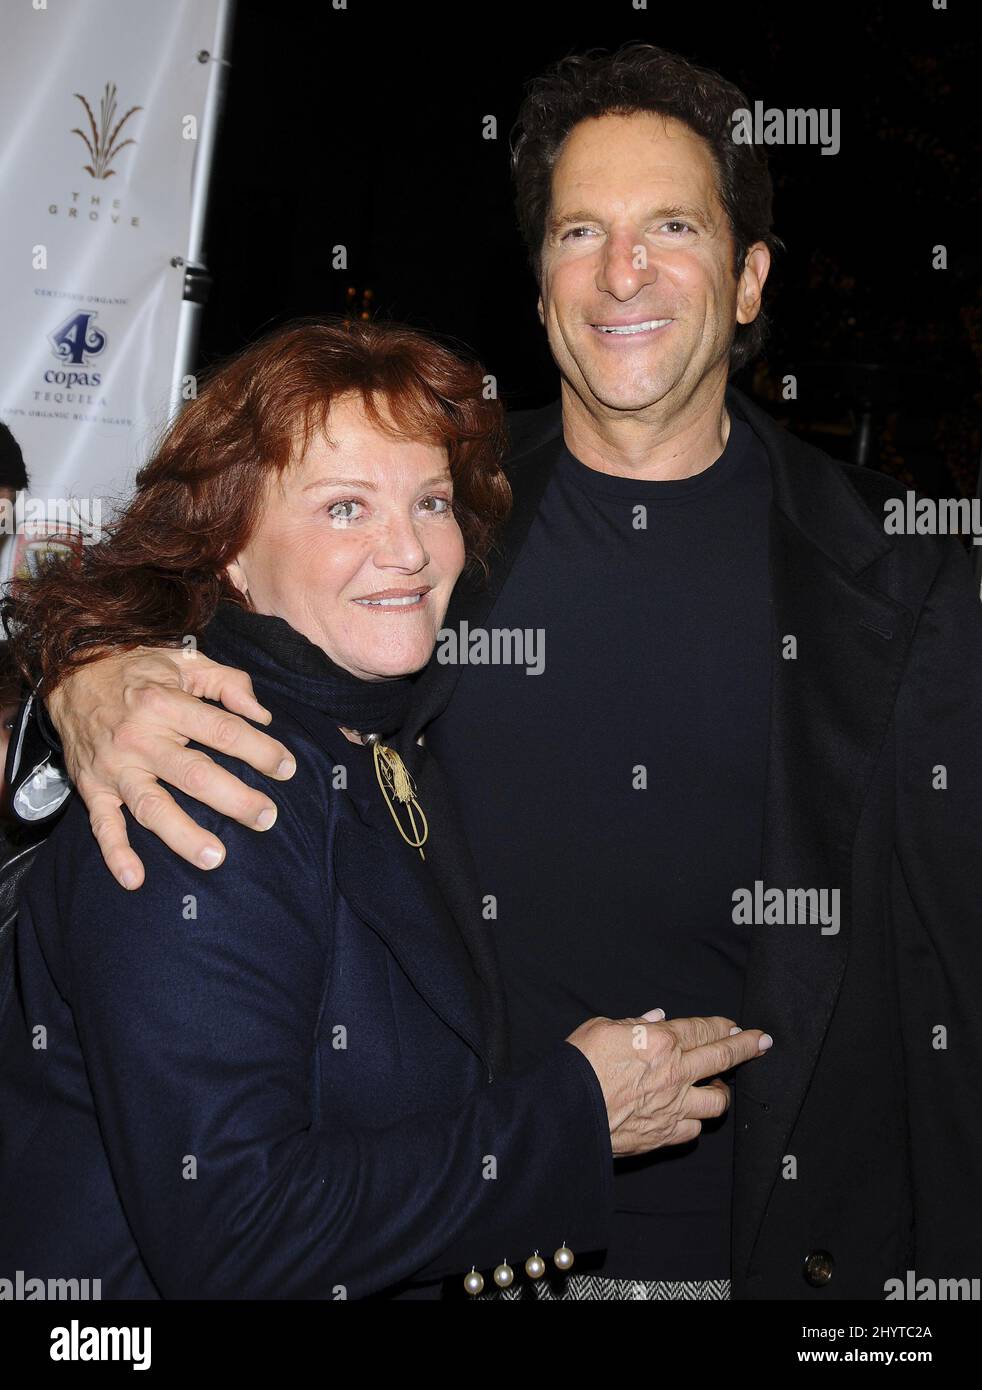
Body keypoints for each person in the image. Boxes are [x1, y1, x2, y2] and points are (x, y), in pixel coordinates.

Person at [18, 43, 982, 1301]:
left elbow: (953, 991)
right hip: (441, 1239)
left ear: (747, 281)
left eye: (672, 226)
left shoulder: (903, 579)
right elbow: (177, 585)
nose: (621, 270)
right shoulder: (434, 516)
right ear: (538, 290)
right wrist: (81, 685)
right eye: (580, 231)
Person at [0, 318, 769, 1300]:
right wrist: (571, 1115)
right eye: (345, 507)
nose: (405, 549)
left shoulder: (378, 737)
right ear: (229, 549)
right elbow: (235, 1235)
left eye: (430, 501)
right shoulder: (192, 778)